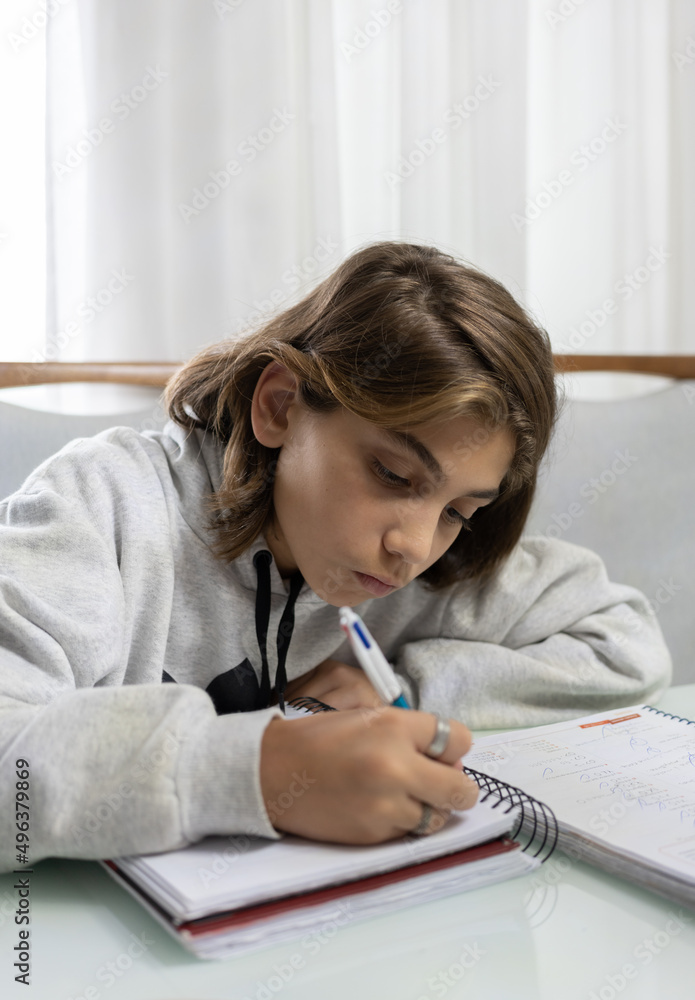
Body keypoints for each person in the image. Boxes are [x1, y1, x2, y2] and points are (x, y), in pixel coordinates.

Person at [0, 241, 670, 872]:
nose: (412, 545)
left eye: (457, 511)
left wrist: (406, 692)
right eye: (392, 475)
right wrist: (260, 773)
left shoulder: (430, 567)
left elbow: (626, 647)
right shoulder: (101, 505)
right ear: (280, 406)